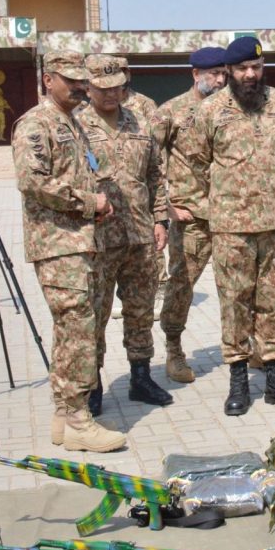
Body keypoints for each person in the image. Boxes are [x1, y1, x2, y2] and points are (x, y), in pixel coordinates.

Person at [11, 50, 125, 452]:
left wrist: (100, 202)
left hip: (81, 244)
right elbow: (32, 181)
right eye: (70, 80)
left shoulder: (71, 123)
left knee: (73, 330)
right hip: (58, 246)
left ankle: (64, 413)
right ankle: (78, 419)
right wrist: (87, 202)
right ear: (48, 80)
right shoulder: (36, 125)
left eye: (82, 81)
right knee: (77, 331)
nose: (80, 87)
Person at [188, 36, 275, 416]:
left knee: (274, 301)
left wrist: (267, 188)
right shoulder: (211, 111)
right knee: (234, 302)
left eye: (256, 67)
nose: (250, 75)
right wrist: (224, 201)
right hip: (230, 228)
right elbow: (196, 162)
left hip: (274, 224)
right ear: (229, 72)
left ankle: (274, 378)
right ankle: (238, 379)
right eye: (241, 69)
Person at [78, 54, 172, 414]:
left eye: (117, 87)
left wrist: (160, 220)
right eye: (102, 89)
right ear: (88, 87)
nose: (111, 95)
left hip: (139, 235)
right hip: (98, 238)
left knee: (140, 309)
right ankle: (93, 384)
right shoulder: (76, 125)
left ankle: (141, 376)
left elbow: (154, 174)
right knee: (96, 313)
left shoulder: (138, 121)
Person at [153, 46, 227, 384]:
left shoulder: (233, 109)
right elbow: (150, 164)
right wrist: (165, 207)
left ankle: (247, 344)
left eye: (223, 73)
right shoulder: (171, 112)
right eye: (213, 74)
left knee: (241, 286)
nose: (220, 79)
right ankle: (174, 348)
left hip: (231, 214)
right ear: (195, 74)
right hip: (191, 215)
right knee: (182, 285)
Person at [115, 55, 166, 320]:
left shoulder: (144, 104)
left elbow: (156, 147)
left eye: (123, 70)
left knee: (152, 244)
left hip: (142, 185)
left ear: (129, 73)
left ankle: (159, 291)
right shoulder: (98, 105)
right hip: (116, 191)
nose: (119, 76)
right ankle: (123, 296)